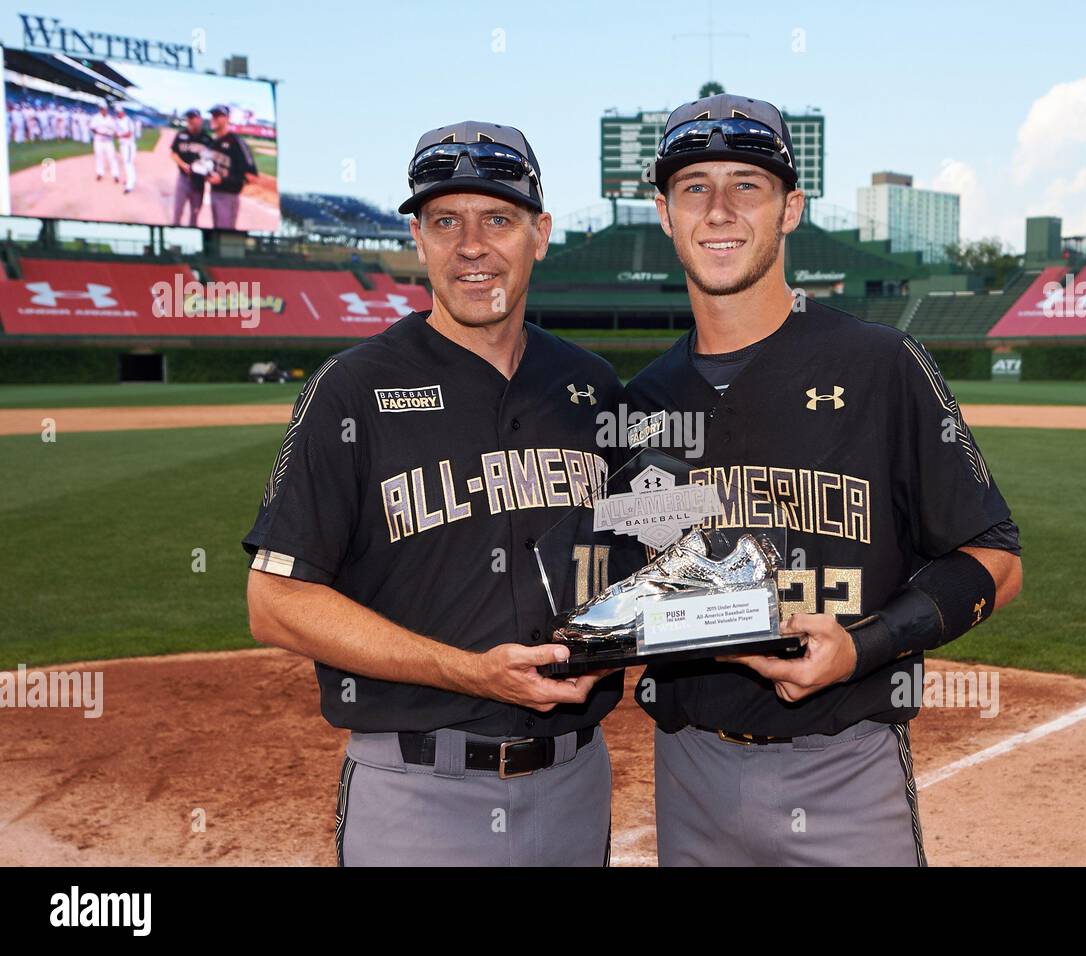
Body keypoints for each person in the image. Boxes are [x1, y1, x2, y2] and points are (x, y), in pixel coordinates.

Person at [627, 93, 1024, 866]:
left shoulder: (881, 365)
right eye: (692, 188)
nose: (718, 210)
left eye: (747, 184)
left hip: (844, 768)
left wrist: (862, 645)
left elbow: (998, 563)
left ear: (791, 209)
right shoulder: (642, 403)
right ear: (665, 213)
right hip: (687, 776)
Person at [243, 120, 623, 866]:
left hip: (577, 781)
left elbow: (635, 556)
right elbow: (274, 604)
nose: (471, 246)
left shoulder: (594, 388)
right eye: (446, 221)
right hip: (418, 794)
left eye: (498, 220)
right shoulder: (353, 389)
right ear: (418, 238)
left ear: (539, 234)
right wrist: (468, 670)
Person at [206, 104, 258, 229]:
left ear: (228, 118)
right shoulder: (214, 142)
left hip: (228, 196)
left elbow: (252, 177)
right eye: (213, 116)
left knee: (225, 236)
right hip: (214, 193)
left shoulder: (236, 142)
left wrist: (223, 180)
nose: (214, 118)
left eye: (218, 116)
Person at [170, 108, 211, 226]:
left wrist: (204, 168)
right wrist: (182, 165)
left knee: (195, 213)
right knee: (178, 211)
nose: (190, 120)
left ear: (200, 119)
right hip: (183, 179)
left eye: (193, 118)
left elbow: (211, 160)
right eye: (189, 118)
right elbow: (173, 153)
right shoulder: (181, 134)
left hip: (199, 181)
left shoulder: (206, 138)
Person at [89, 102, 118, 183]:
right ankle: (100, 173)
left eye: (104, 109)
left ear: (106, 109)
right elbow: (92, 128)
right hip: (98, 141)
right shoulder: (96, 117)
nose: (103, 110)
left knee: (112, 157)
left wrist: (110, 133)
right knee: (99, 157)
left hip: (108, 141)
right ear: (100, 109)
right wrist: (100, 133)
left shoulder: (110, 118)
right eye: (102, 109)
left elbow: (114, 130)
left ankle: (115, 174)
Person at [114, 104, 137, 194]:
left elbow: (129, 134)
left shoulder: (128, 121)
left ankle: (130, 185)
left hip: (129, 146)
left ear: (123, 112)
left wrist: (119, 135)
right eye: (117, 112)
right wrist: (116, 135)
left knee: (128, 164)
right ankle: (130, 180)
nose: (118, 114)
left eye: (119, 112)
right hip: (123, 145)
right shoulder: (116, 121)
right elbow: (116, 133)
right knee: (126, 163)